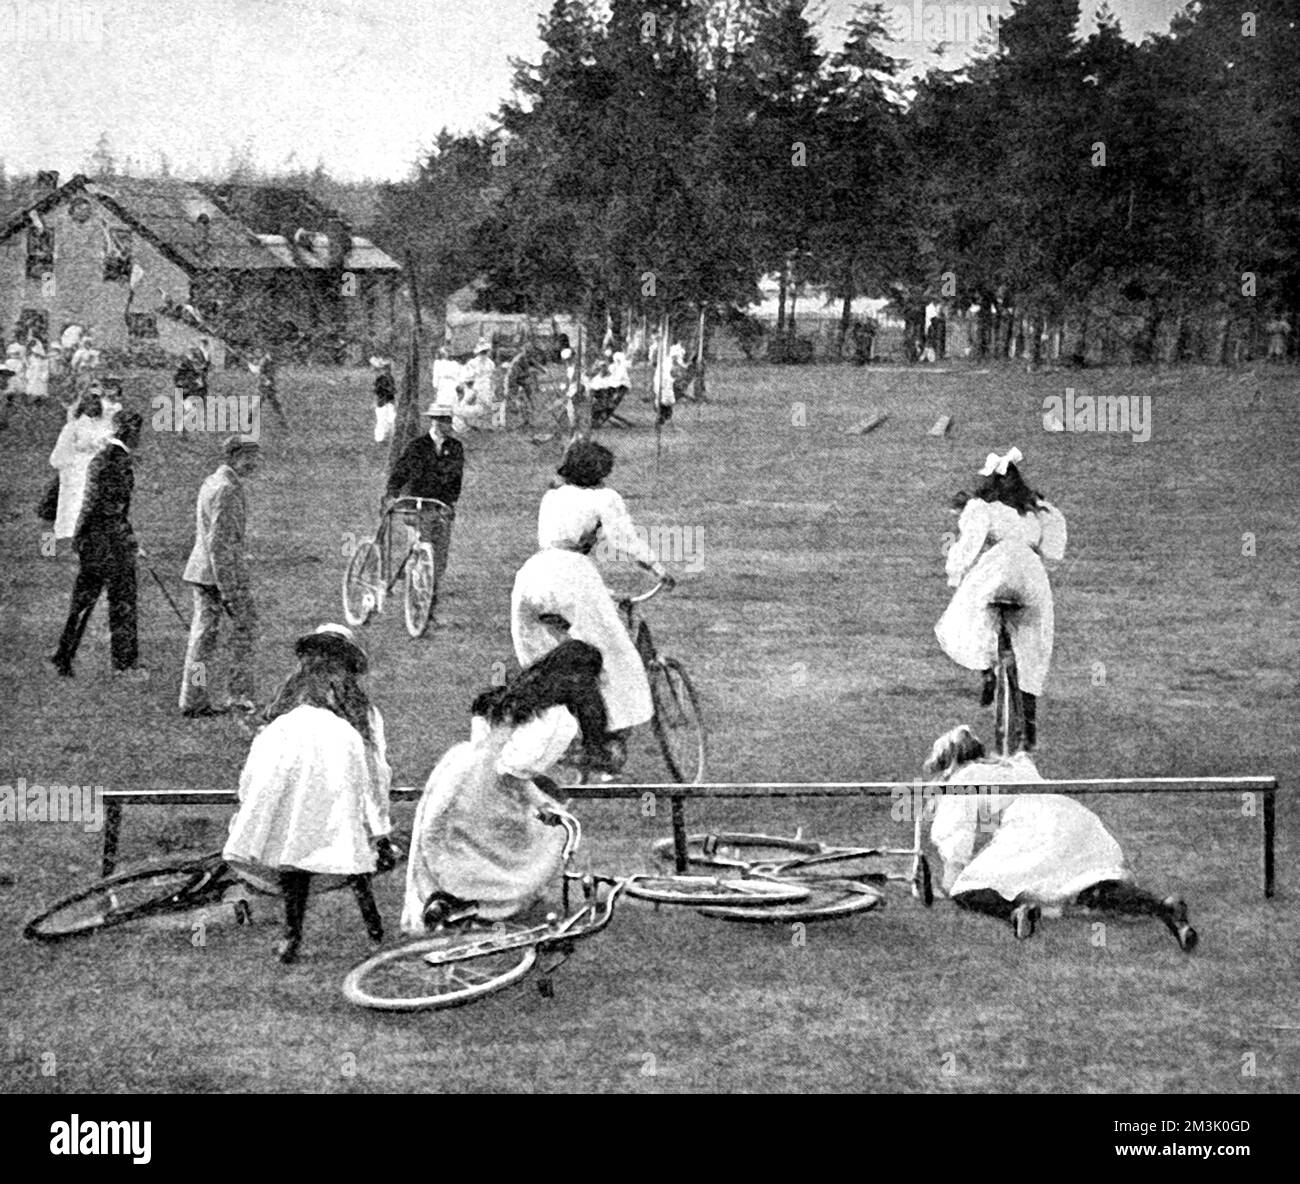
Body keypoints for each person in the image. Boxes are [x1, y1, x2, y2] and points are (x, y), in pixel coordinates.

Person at [923, 725, 1197, 950]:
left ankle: (1015, 913)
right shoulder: (1014, 766)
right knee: (1091, 884)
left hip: (1034, 826)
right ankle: (1163, 908)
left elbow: (955, 844)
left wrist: (950, 879)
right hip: (1072, 818)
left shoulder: (964, 779)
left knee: (965, 888)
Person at [400, 640, 608, 934]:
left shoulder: (517, 696)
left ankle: (453, 899)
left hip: (458, 774)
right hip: (491, 789)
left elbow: (485, 735)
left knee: (455, 846)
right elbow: (512, 771)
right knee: (552, 835)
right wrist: (541, 803)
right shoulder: (559, 718)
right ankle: (487, 906)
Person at [223, 624, 396, 964]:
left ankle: (292, 936)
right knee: (354, 855)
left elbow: (257, 769)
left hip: (299, 810)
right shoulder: (359, 717)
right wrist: (380, 828)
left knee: (295, 858)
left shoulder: (285, 716)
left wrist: (246, 805)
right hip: (339, 808)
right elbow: (376, 774)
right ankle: (373, 928)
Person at [511, 441, 676, 770]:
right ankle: (602, 743)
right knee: (615, 656)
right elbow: (623, 540)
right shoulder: (605, 498)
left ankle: (562, 730)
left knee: (545, 662)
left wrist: (603, 590)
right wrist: (658, 568)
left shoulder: (553, 496)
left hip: (533, 576)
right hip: (572, 577)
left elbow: (556, 547)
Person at [935, 447, 1066, 750]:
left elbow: (969, 545)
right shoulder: (1037, 509)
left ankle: (987, 671)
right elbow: (1053, 550)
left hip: (997, 573)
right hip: (1030, 577)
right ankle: (1029, 725)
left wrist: (955, 573)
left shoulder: (984, 507)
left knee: (972, 611)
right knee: (1033, 645)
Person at [50, 410, 146, 679]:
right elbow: (111, 509)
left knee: (83, 601)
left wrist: (80, 536)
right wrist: (131, 541)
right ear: (131, 432)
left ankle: (63, 655)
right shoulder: (118, 461)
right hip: (111, 544)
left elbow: (92, 505)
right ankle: (124, 665)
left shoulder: (103, 457)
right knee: (123, 603)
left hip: (94, 541)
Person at [179, 437, 260, 717]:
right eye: (251, 456)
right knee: (231, 635)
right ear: (235, 456)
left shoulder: (214, 481)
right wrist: (229, 590)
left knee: (203, 640)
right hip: (217, 577)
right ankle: (228, 697)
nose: (256, 463)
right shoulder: (226, 489)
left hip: (207, 573)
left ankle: (196, 698)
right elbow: (219, 544)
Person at [384, 397, 464, 588]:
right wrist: (392, 493)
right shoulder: (417, 446)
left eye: (449, 420)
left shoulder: (455, 448)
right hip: (417, 505)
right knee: (421, 547)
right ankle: (415, 591)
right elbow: (401, 470)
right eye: (445, 420)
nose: (449, 424)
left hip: (441, 505)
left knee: (440, 557)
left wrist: (450, 503)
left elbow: (455, 478)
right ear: (435, 421)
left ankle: (430, 595)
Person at [48, 387, 113, 543]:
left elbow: (106, 442)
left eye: (96, 404)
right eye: (90, 404)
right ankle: (66, 532)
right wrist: (68, 464)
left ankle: (89, 532)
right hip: (75, 467)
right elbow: (64, 448)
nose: (93, 408)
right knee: (72, 500)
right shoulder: (74, 426)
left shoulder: (103, 425)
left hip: (93, 465)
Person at [249, 346, 287, 427]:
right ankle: (249, 420)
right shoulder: (261, 360)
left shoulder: (265, 360)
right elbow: (259, 372)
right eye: (255, 352)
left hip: (268, 385)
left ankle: (282, 421)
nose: (256, 354)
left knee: (273, 403)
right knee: (260, 403)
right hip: (263, 386)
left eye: (258, 352)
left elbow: (263, 371)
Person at [370, 356, 395, 443]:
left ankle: (390, 436)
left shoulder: (390, 378)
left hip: (389, 402)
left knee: (391, 419)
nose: (388, 370)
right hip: (382, 402)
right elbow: (378, 392)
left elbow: (392, 391)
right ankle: (379, 438)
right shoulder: (380, 379)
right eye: (386, 368)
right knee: (381, 420)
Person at [25, 331, 49, 402]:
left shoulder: (36, 343)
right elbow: (28, 361)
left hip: (38, 372)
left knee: (39, 384)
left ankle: (39, 397)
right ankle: (33, 397)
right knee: (32, 383)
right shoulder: (31, 355)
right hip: (33, 371)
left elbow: (44, 363)